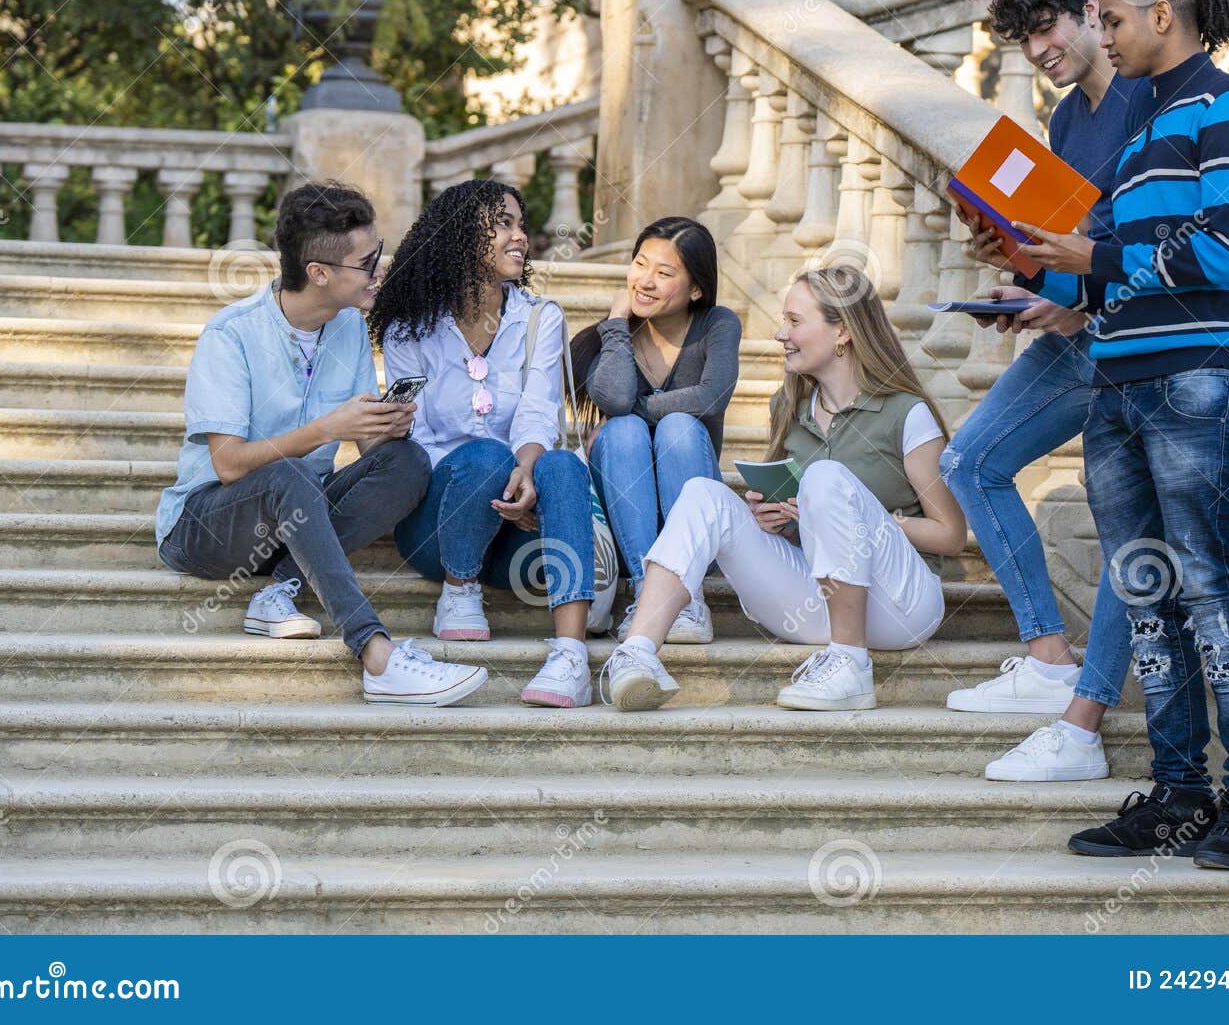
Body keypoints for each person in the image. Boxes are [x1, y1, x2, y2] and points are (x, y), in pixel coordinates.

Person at [1017, 0, 1229, 870]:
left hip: (1190, 383)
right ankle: (1177, 796)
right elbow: (1104, 278)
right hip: (1116, 387)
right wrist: (1020, 260)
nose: (1107, 36)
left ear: (1160, 14)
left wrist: (1093, 258)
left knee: (1209, 586)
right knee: (1146, 595)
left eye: (1117, 22)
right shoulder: (1133, 139)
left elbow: (1224, 251)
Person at [941, 0, 1159, 784]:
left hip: (1140, 339)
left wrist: (1076, 291)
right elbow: (1068, 250)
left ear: (1090, 12)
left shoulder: (1151, 95)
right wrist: (1023, 275)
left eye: (1045, 29)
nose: (1037, 52)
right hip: (1080, 328)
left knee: (1128, 533)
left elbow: (1158, 238)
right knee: (970, 458)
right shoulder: (1066, 122)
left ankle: (1087, 712)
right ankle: (1047, 657)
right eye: (1023, 39)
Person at [155, 181, 487, 707]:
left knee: (406, 461)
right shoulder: (231, 335)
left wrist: (385, 425)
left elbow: (356, 443)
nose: (380, 267)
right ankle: (376, 654)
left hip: (294, 521)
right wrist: (329, 428)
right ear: (319, 273)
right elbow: (229, 465)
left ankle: (280, 588)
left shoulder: (350, 326)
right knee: (287, 474)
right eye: (366, 260)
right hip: (206, 526)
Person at [595, 265, 968, 713]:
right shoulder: (789, 406)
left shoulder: (906, 413)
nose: (779, 334)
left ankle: (850, 665)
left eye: (794, 321)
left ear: (843, 333)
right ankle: (636, 654)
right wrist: (777, 521)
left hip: (900, 606)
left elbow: (950, 535)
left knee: (825, 478)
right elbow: (802, 523)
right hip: (813, 604)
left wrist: (869, 521)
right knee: (702, 493)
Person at [371, 179, 600, 709]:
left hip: (518, 540)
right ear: (458, 237)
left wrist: (525, 476)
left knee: (561, 466)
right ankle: (458, 591)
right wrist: (496, 478)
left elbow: (540, 411)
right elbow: (418, 441)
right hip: (437, 526)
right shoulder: (411, 329)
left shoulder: (539, 317)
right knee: (484, 457)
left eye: (521, 225)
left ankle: (570, 655)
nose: (520, 237)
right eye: (503, 224)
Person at [571, 216, 742, 646]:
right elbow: (612, 401)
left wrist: (636, 407)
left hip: (691, 515)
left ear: (696, 289)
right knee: (622, 431)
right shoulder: (611, 335)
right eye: (640, 264)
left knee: (679, 427)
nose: (644, 281)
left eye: (664, 274)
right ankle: (650, 596)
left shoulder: (718, 324)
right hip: (631, 520)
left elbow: (710, 398)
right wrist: (615, 323)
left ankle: (687, 596)